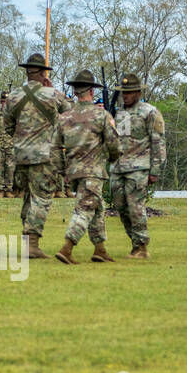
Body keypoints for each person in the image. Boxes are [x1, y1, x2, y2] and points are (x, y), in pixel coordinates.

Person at [2, 52, 71, 258]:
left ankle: (27, 241)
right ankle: (31, 243)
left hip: (21, 156)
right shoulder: (53, 95)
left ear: (27, 72)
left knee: (28, 198)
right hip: (45, 156)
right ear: (43, 73)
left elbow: (7, 127)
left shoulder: (13, 96)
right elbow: (70, 116)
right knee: (41, 199)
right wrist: (50, 89)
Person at [52, 70, 120, 264]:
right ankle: (67, 247)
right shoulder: (101, 115)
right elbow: (114, 143)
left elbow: (54, 147)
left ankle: (100, 249)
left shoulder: (64, 117)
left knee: (97, 207)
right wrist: (114, 158)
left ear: (75, 92)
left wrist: (62, 170)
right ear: (91, 91)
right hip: (94, 170)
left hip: (73, 172)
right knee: (85, 210)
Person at [111, 72, 166, 258]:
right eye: (123, 92)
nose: (125, 95)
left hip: (139, 168)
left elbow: (158, 142)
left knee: (136, 208)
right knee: (121, 207)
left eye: (129, 92)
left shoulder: (150, 112)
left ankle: (141, 246)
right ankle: (134, 242)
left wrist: (155, 170)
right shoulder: (120, 114)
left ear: (138, 93)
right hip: (119, 168)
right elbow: (120, 139)